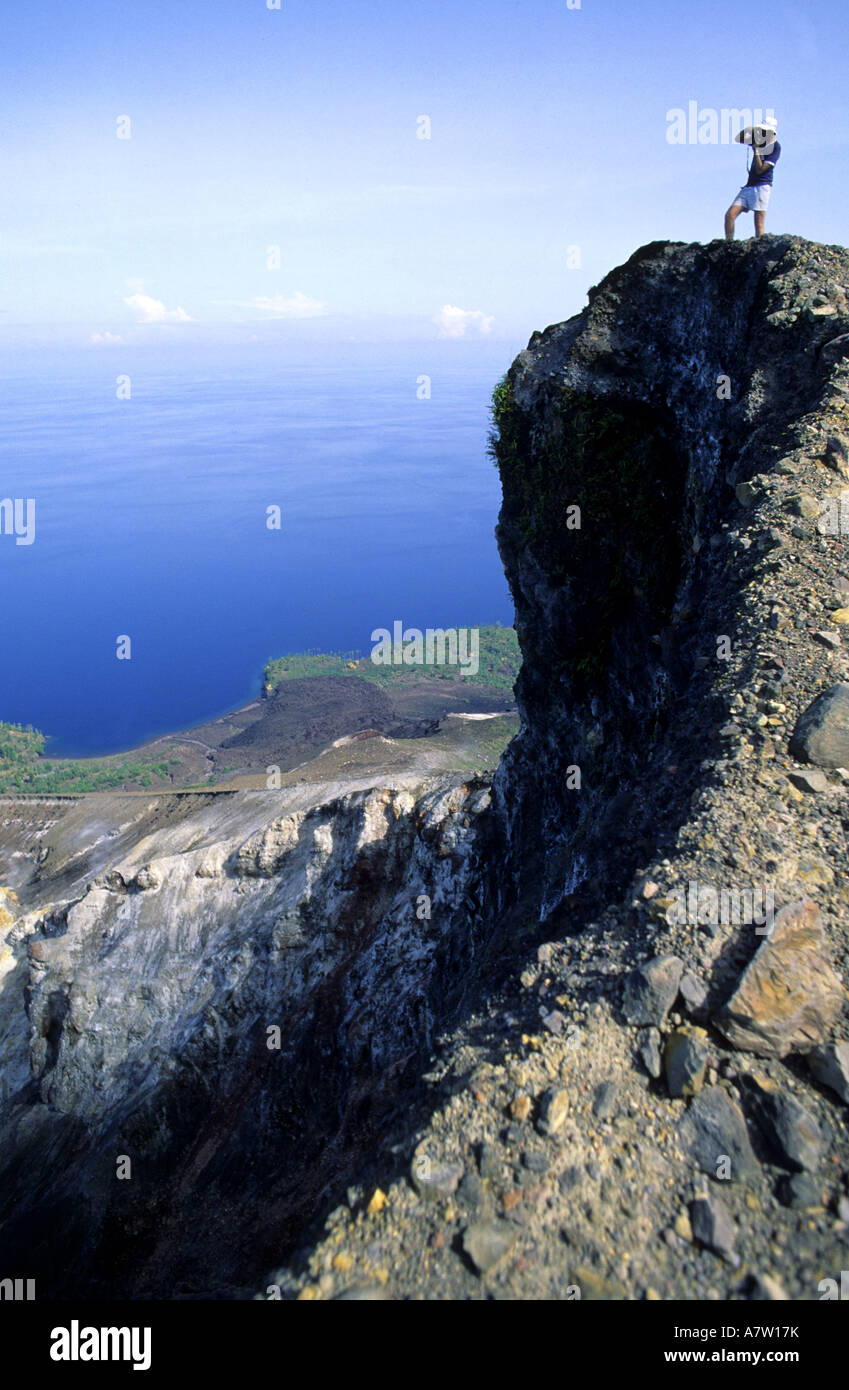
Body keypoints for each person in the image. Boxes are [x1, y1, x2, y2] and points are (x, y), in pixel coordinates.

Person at [725, 126, 781, 240]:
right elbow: (739, 138)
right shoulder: (760, 141)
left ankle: (759, 250)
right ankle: (728, 244)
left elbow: (761, 169)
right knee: (730, 215)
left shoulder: (775, 147)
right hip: (749, 186)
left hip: (762, 187)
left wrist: (756, 150)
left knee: (759, 223)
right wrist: (748, 129)